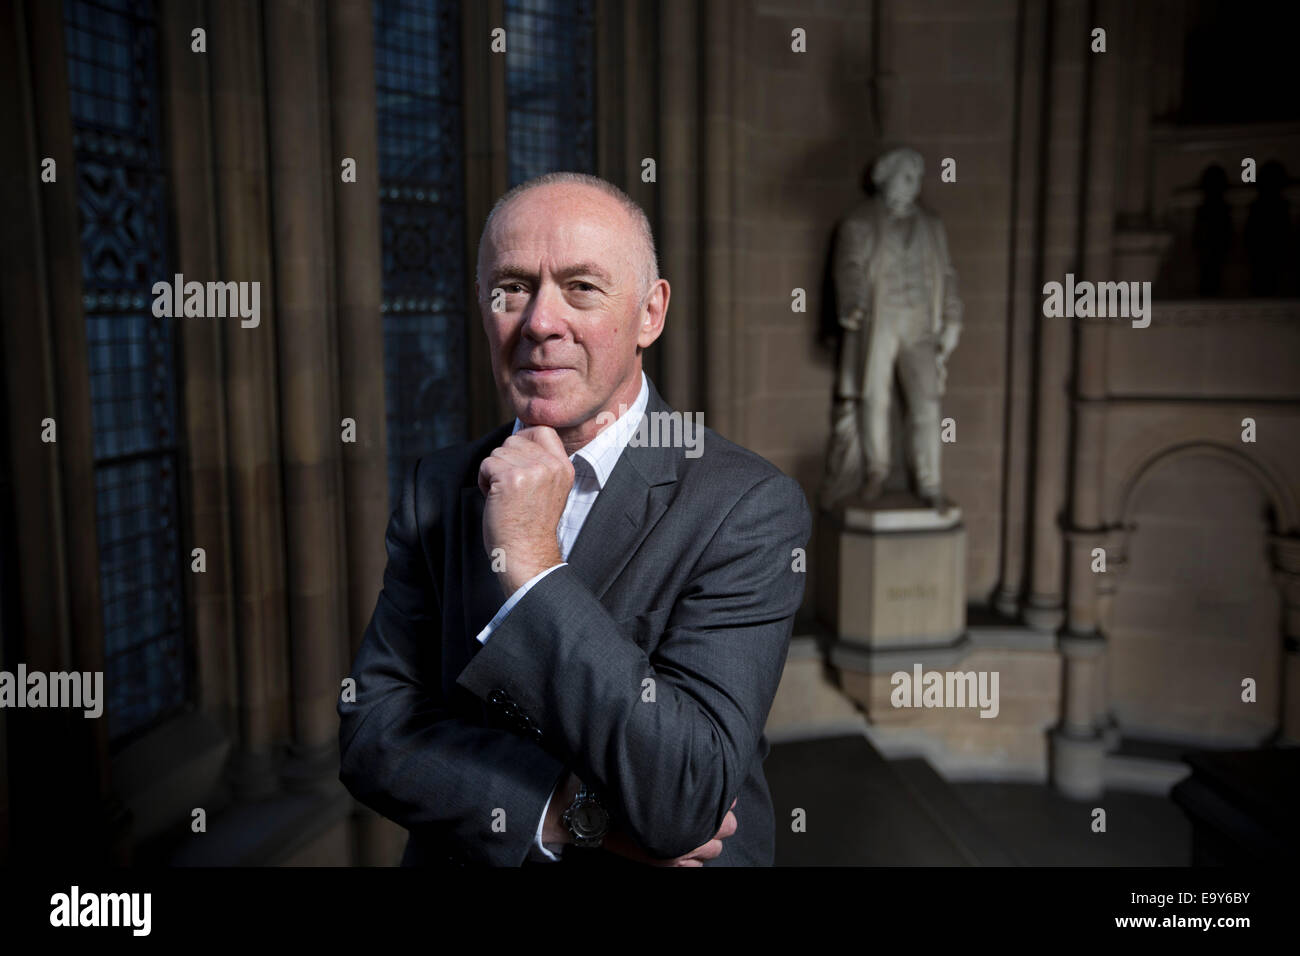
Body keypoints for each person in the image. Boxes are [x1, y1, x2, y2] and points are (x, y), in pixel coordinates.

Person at [338, 171, 811, 866]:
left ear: (650, 313)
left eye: (582, 287)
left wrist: (530, 563)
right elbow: (372, 732)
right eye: (513, 287)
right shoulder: (437, 487)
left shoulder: (747, 507)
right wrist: (573, 814)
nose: (539, 321)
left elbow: (686, 794)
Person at [823, 147, 962, 510]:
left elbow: (947, 276)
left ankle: (930, 482)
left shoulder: (932, 226)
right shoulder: (860, 221)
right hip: (878, 320)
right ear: (885, 178)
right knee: (874, 398)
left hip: (920, 324)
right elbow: (849, 268)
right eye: (906, 176)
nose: (913, 185)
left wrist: (953, 318)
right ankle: (875, 473)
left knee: (927, 403)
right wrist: (852, 304)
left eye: (917, 178)